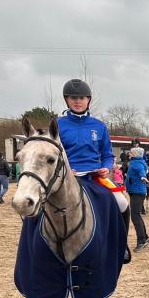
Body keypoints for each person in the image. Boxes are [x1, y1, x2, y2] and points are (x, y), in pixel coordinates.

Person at [59, 78, 131, 257]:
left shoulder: (99, 126)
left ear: (88, 100)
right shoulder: (58, 124)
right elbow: (52, 154)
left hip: (95, 176)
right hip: (67, 177)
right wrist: (66, 169)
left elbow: (107, 154)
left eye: (82, 97)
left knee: (122, 203)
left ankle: (121, 246)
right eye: (73, 97)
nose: (77, 101)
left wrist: (107, 167)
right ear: (66, 100)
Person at [126, 147, 149, 251]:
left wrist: (142, 177)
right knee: (137, 215)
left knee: (135, 216)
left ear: (135, 154)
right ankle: (145, 237)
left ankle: (141, 241)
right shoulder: (136, 161)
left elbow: (141, 171)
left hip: (137, 192)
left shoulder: (137, 163)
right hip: (136, 191)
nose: (129, 154)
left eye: (131, 152)